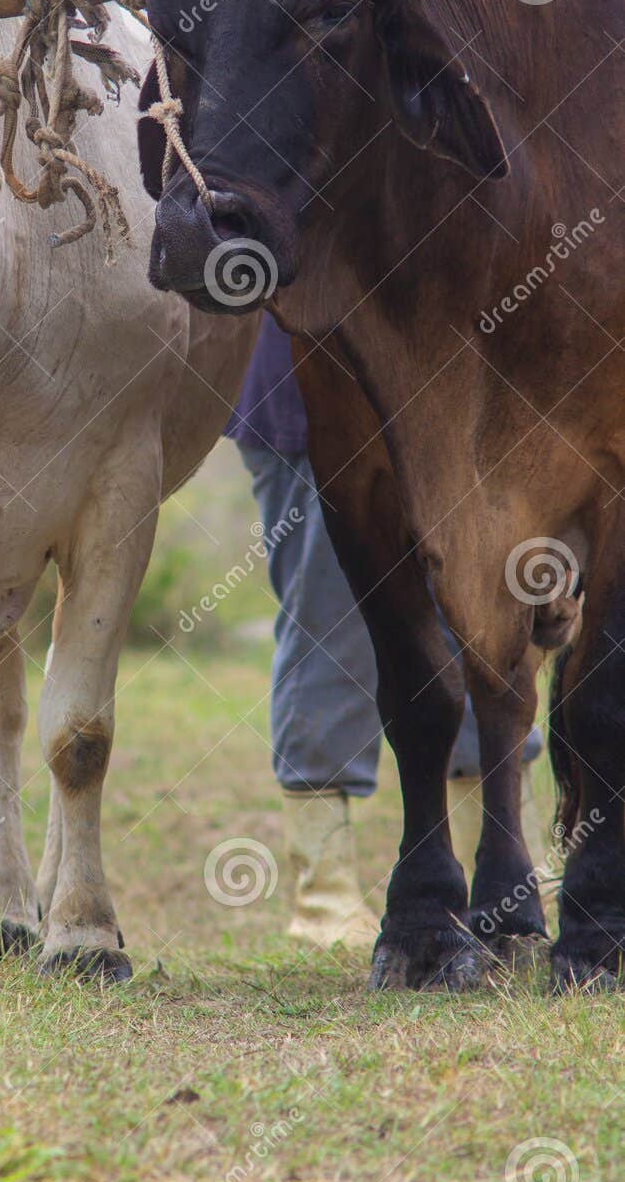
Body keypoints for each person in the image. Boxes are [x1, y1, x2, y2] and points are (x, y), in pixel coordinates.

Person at [228, 317, 543, 948]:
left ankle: (503, 860)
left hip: (449, 400)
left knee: (478, 617)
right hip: (311, 399)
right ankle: (325, 887)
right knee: (329, 627)